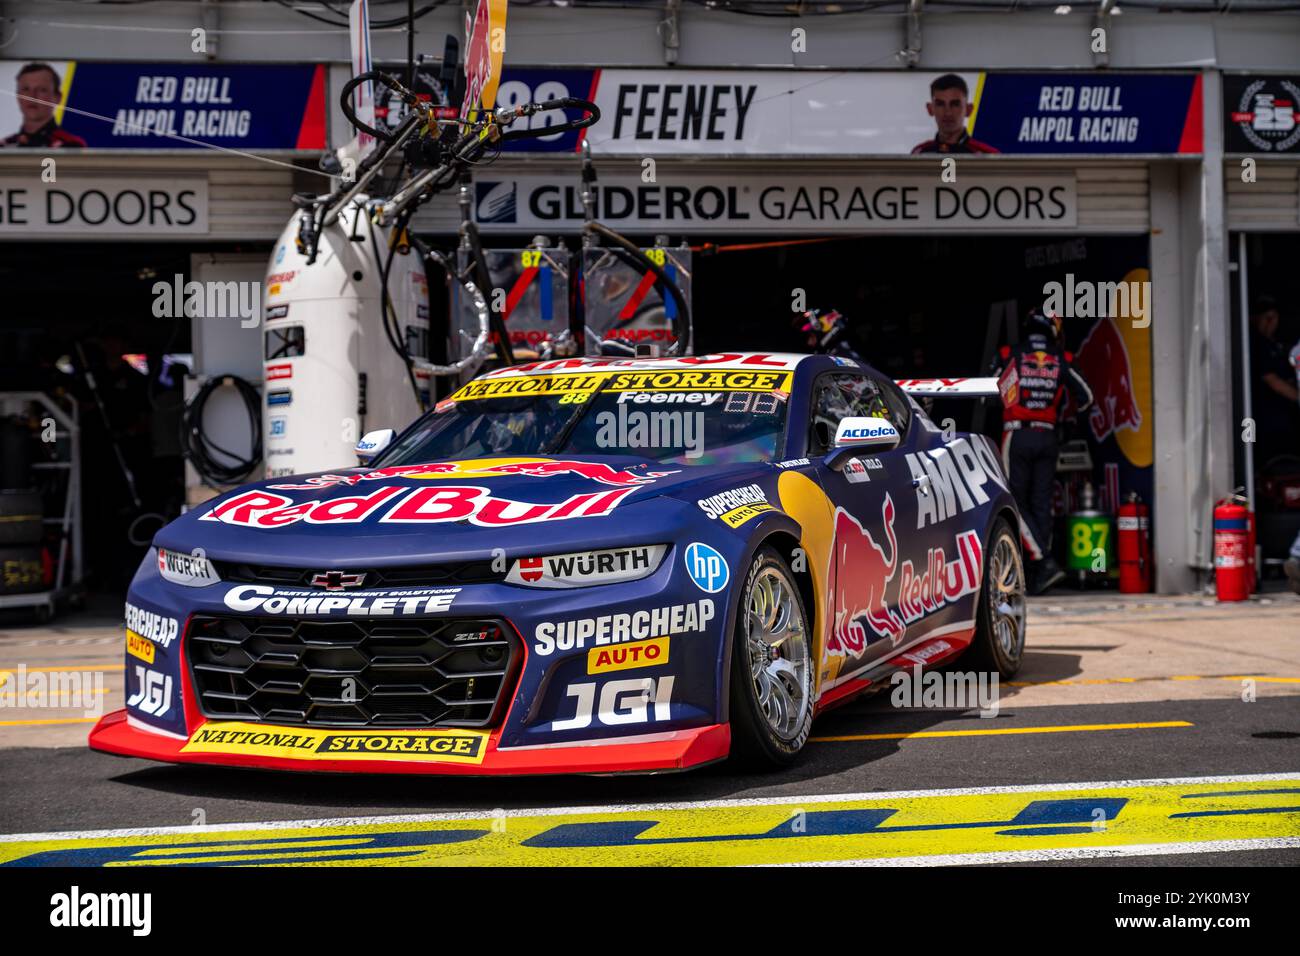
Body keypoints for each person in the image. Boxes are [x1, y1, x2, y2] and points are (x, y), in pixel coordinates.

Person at [995, 307, 1094, 594]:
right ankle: (1040, 574)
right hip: (1048, 435)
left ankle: (1043, 560)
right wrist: (1067, 422)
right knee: (1041, 503)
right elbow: (1086, 397)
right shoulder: (1062, 359)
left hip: (1017, 432)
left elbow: (990, 391)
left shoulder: (1008, 355)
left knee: (1013, 498)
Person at [1247, 295, 1299, 471]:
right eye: (1266, 318)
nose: (1271, 323)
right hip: (1264, 418)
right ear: (1254, 318)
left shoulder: (1274, 344)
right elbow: (1273, 381)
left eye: (1274, 318)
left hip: (1281, 416)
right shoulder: (1255, 343)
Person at [1, 62, 86, 149]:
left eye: (42, 90)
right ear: (18, 96)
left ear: (58, 97)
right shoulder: (4, 146)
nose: (32, 96)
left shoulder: (70, 145)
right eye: (26, 89)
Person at [911, 74, 999, 155]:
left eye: (955, 104)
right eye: (940, 104)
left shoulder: (987, 155)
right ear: (930, 109)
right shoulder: (920, 153)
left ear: (968, 110)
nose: (947, 113)